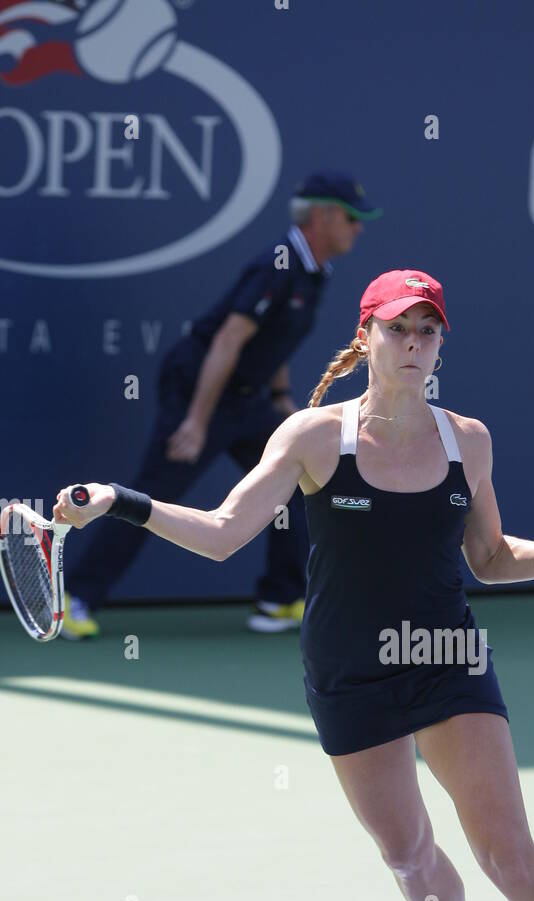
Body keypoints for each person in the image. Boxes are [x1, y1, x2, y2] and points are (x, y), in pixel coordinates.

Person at [54, 268, 534, 901]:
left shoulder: (467, 441)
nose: (415, 346)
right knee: (408, 852)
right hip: (348, 673)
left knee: (509, 853)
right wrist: (127, 501)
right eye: (399, 331)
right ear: (367, 337)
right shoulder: (311, 438)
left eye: (429, 332)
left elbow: (489, 558)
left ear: (441, 343)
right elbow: (227, 533)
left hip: (445, 657)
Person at [62, 171, 381, 640]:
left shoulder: (316, 273)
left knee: (293, 482)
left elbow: (274, 343)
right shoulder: (278, 265)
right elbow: (229, 340)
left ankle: (278, 598)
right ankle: (76, 598)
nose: (360, 228)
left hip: (251, 400)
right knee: (152, 492)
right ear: (323, 215)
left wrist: (280, 402)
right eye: (352, 218)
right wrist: (195, 420)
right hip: (202, 391)